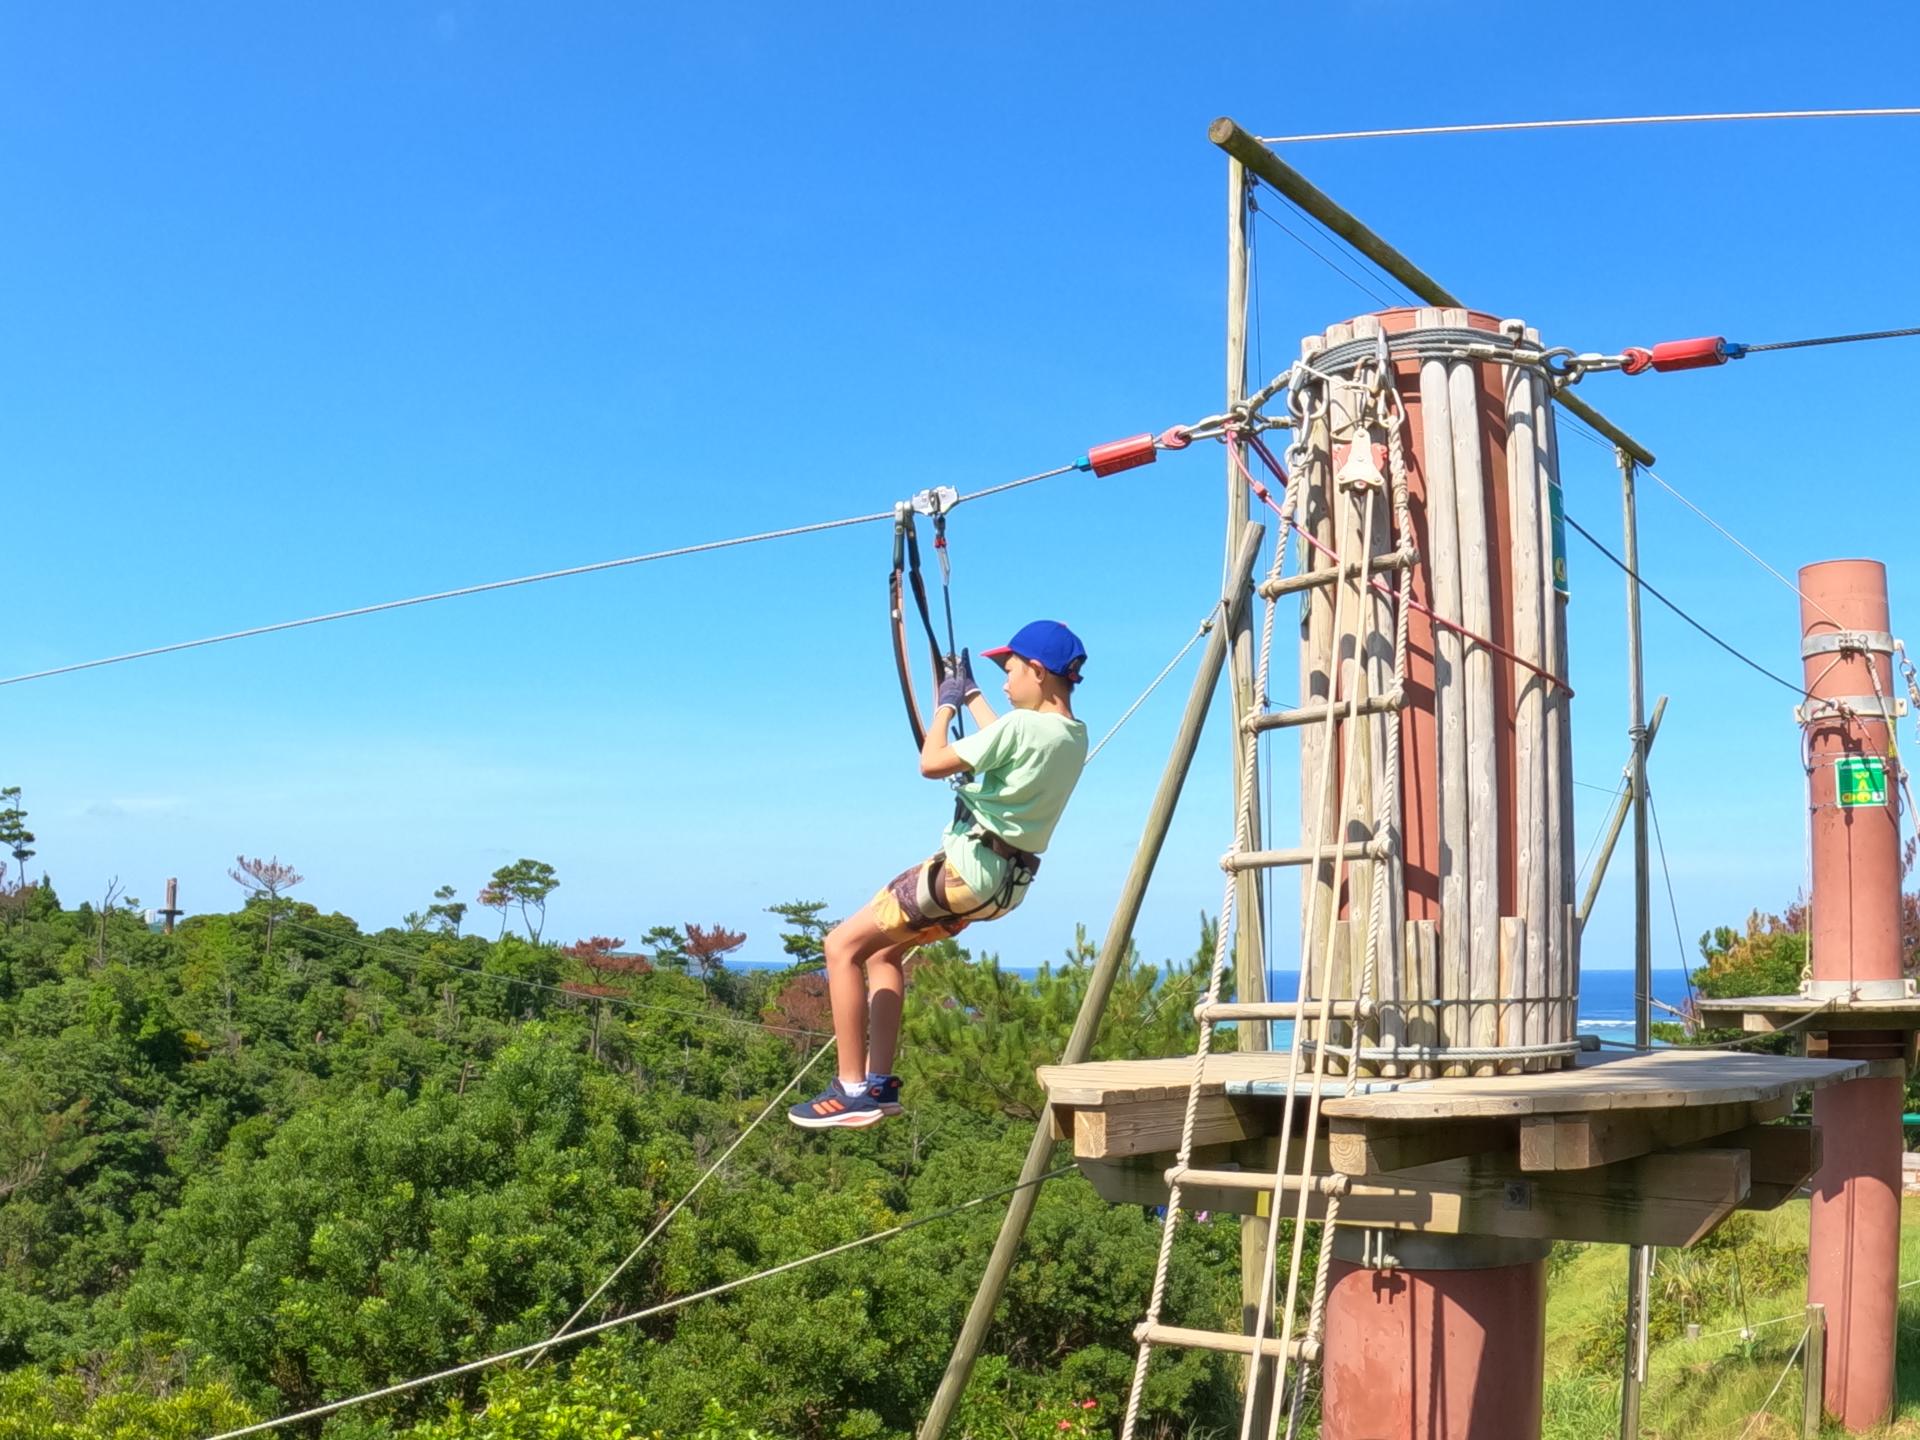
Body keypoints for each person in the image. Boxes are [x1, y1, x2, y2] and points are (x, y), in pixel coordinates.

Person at [788, 620, 1089, 1129]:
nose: (1004, 682)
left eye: (1010, 670)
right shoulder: (1072, 736)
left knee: (840, 946)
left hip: (962, 873)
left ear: (1038, 672)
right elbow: (1006, 740)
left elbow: (931, 762)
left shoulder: (1020, 727)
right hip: (1001, 888)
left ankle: (850, 1088)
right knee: (883, 954)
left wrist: (945, 706)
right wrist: (970, 693)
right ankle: (879, 1085)